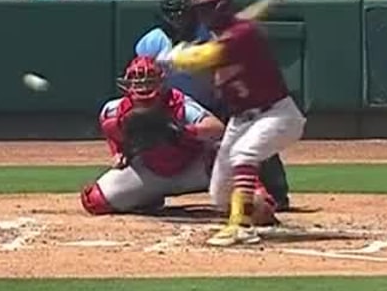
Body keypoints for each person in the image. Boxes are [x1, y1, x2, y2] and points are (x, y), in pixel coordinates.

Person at [156, 0, 306, 246]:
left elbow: (205, 57)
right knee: (220, 194)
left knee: (244, 154)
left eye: (205, 9)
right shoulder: (227, 33)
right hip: (241, 119)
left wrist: (177, 57)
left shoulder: (243, 34)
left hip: (275, 114)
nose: (200, 16)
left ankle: (240, 227)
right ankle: (262, 212)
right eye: (198, 10)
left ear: (221, 7)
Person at [135, 0, 293, 211]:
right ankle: (146, 192)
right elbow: (141, 74)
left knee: (252, 135)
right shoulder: (153, 41)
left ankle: (276, 192)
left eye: (183, 15)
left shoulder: (213, 35)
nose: (178, 22)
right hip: (177, 105)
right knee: (149, 132)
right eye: (173, 17)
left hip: (215, 103)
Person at [81, 56, 263, 218]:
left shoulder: (179, 103)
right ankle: (148, 198)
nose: (144, 87)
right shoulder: (113, 111)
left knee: (256, 204)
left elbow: (217, 128)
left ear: (161, 82)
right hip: (150, 171)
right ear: (128, 85)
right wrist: (118, 152)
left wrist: (180, 132)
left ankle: (262, 192)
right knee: (95, 201)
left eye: (149, 81)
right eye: (139, 82)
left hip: (195, 167)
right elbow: (112, 132)